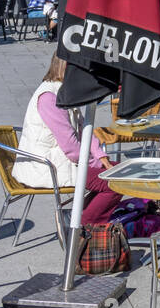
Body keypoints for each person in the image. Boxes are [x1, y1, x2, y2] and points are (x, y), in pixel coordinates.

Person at [13, 52, 119, 224]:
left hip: (61, 161)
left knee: (118, 171)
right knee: (115, 183)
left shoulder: (62, 92)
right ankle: (83, 227)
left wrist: (101, 156)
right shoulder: (50, 98)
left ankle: (79, 218)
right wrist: (98, 165)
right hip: (47, 167)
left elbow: (85, 129)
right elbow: (71, 148)